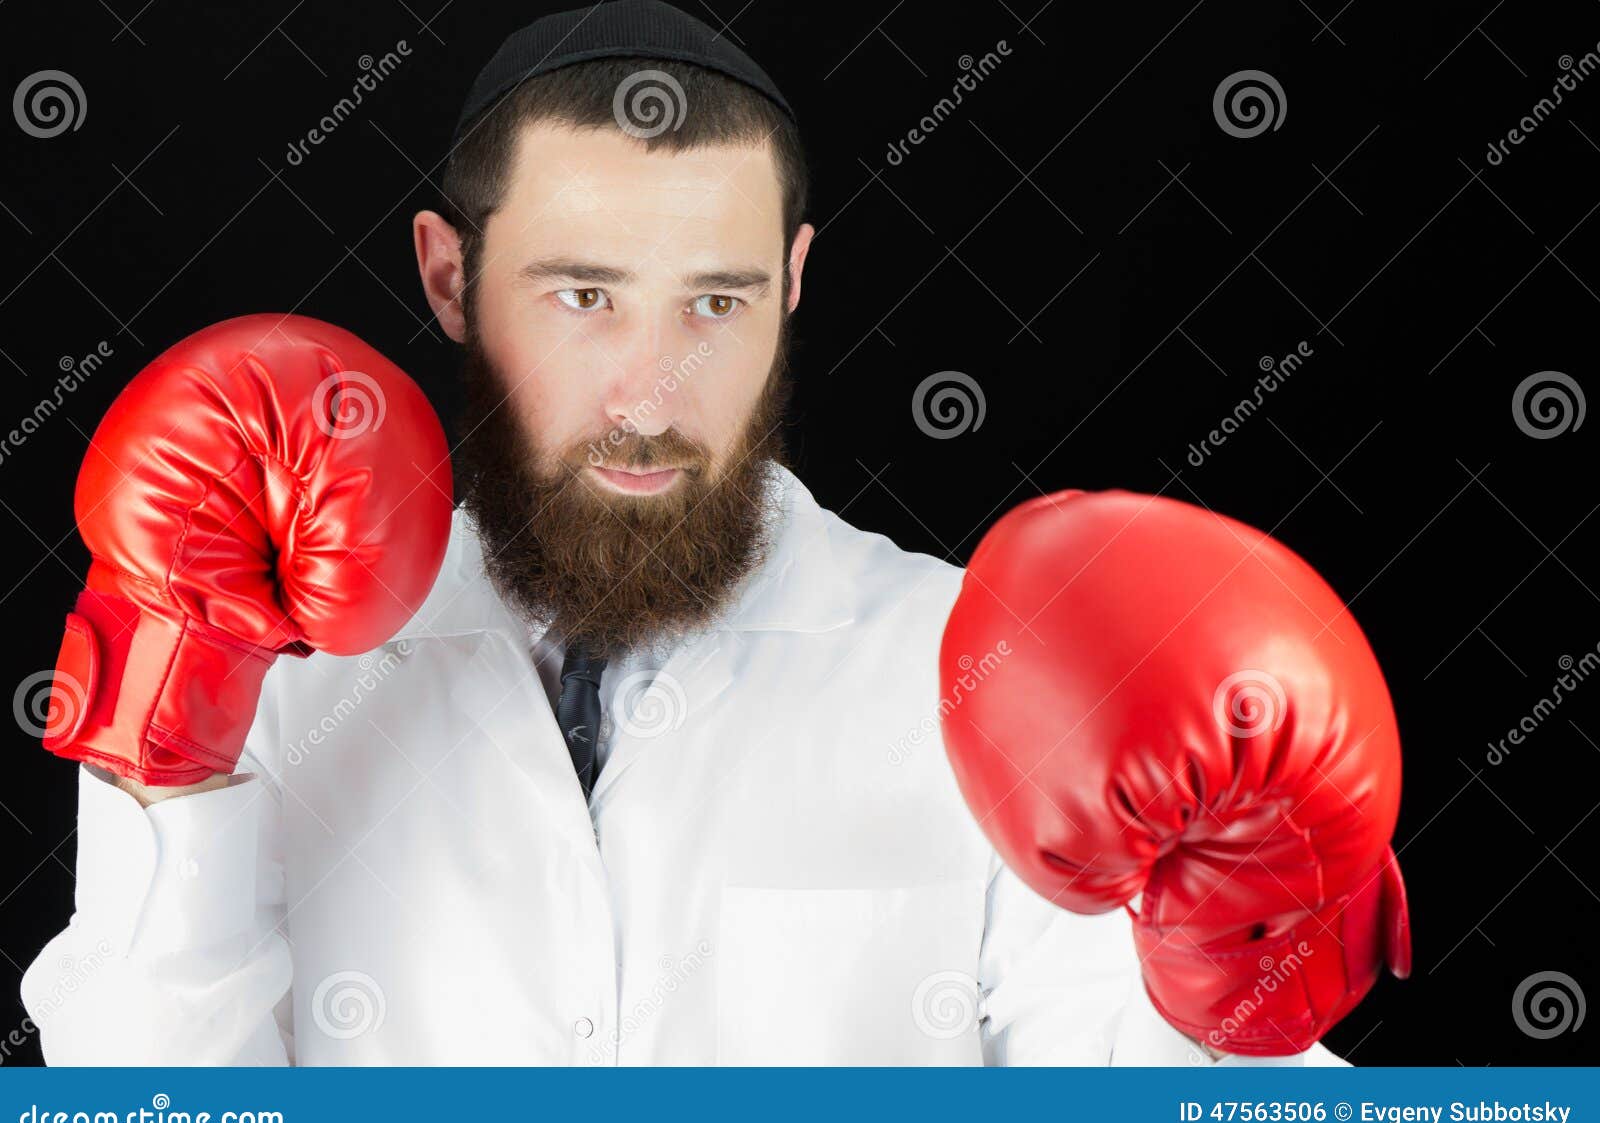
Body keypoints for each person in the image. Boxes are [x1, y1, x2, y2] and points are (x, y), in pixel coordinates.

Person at [22, 1, 1384, 1065]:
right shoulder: (270, 667)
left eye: (715, 302)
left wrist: (1240, 966)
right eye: (582, 297)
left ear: (793, 285)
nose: (650, 393)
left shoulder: (974, 675)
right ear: (450, 276)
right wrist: (163, 715)